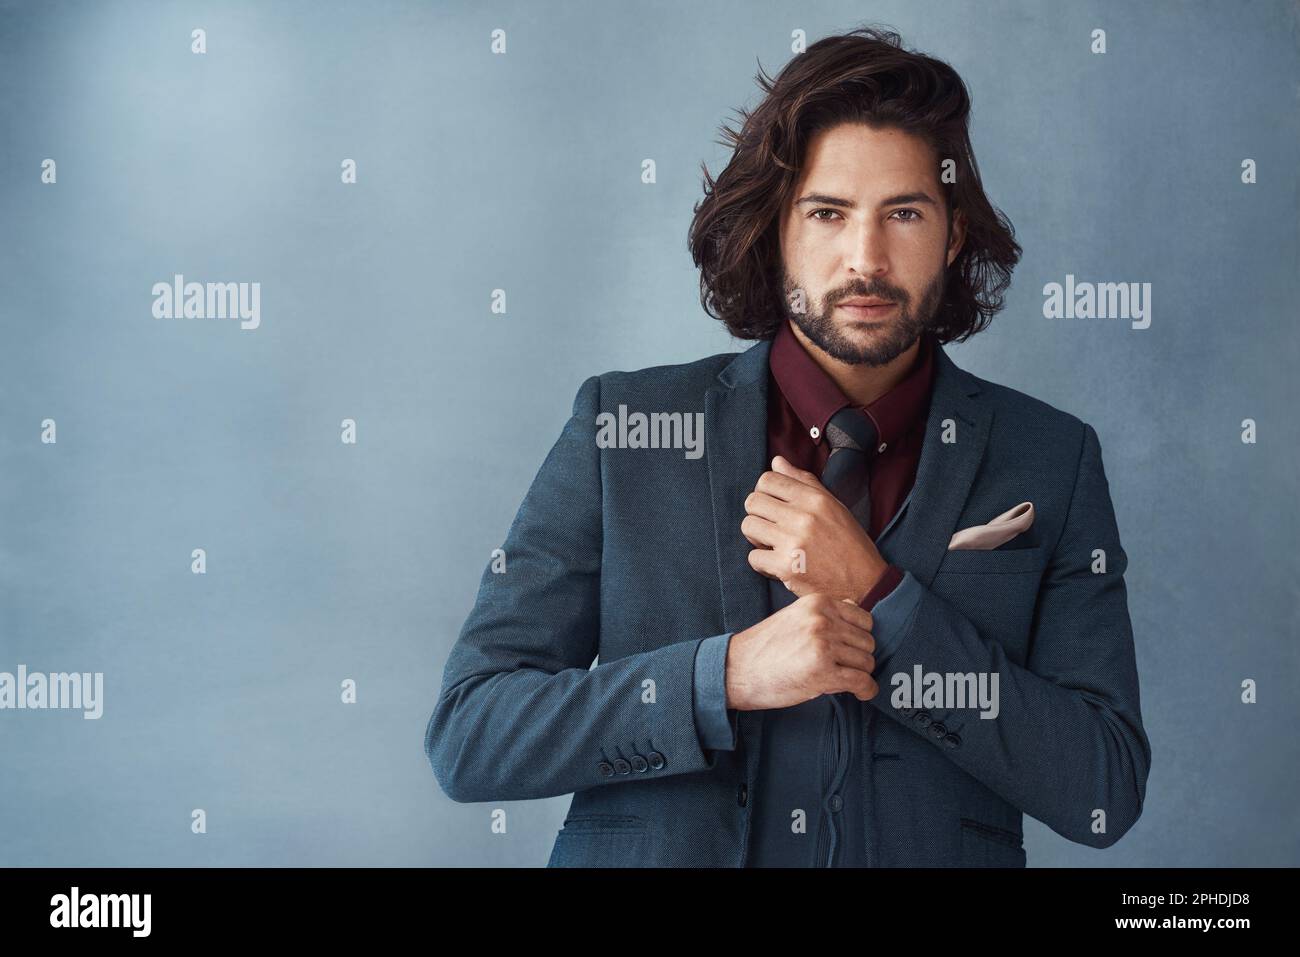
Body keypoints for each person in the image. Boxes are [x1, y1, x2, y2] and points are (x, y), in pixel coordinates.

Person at [424, 26, 1151, 867]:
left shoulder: (1051, 457)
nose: (866, 259)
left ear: (952, 235)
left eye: (905, 213)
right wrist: (719, 678)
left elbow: (1105, 787)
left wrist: (885, 601)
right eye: (829, 213)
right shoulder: (620, 429)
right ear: (776, 231)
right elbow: (471, 732)